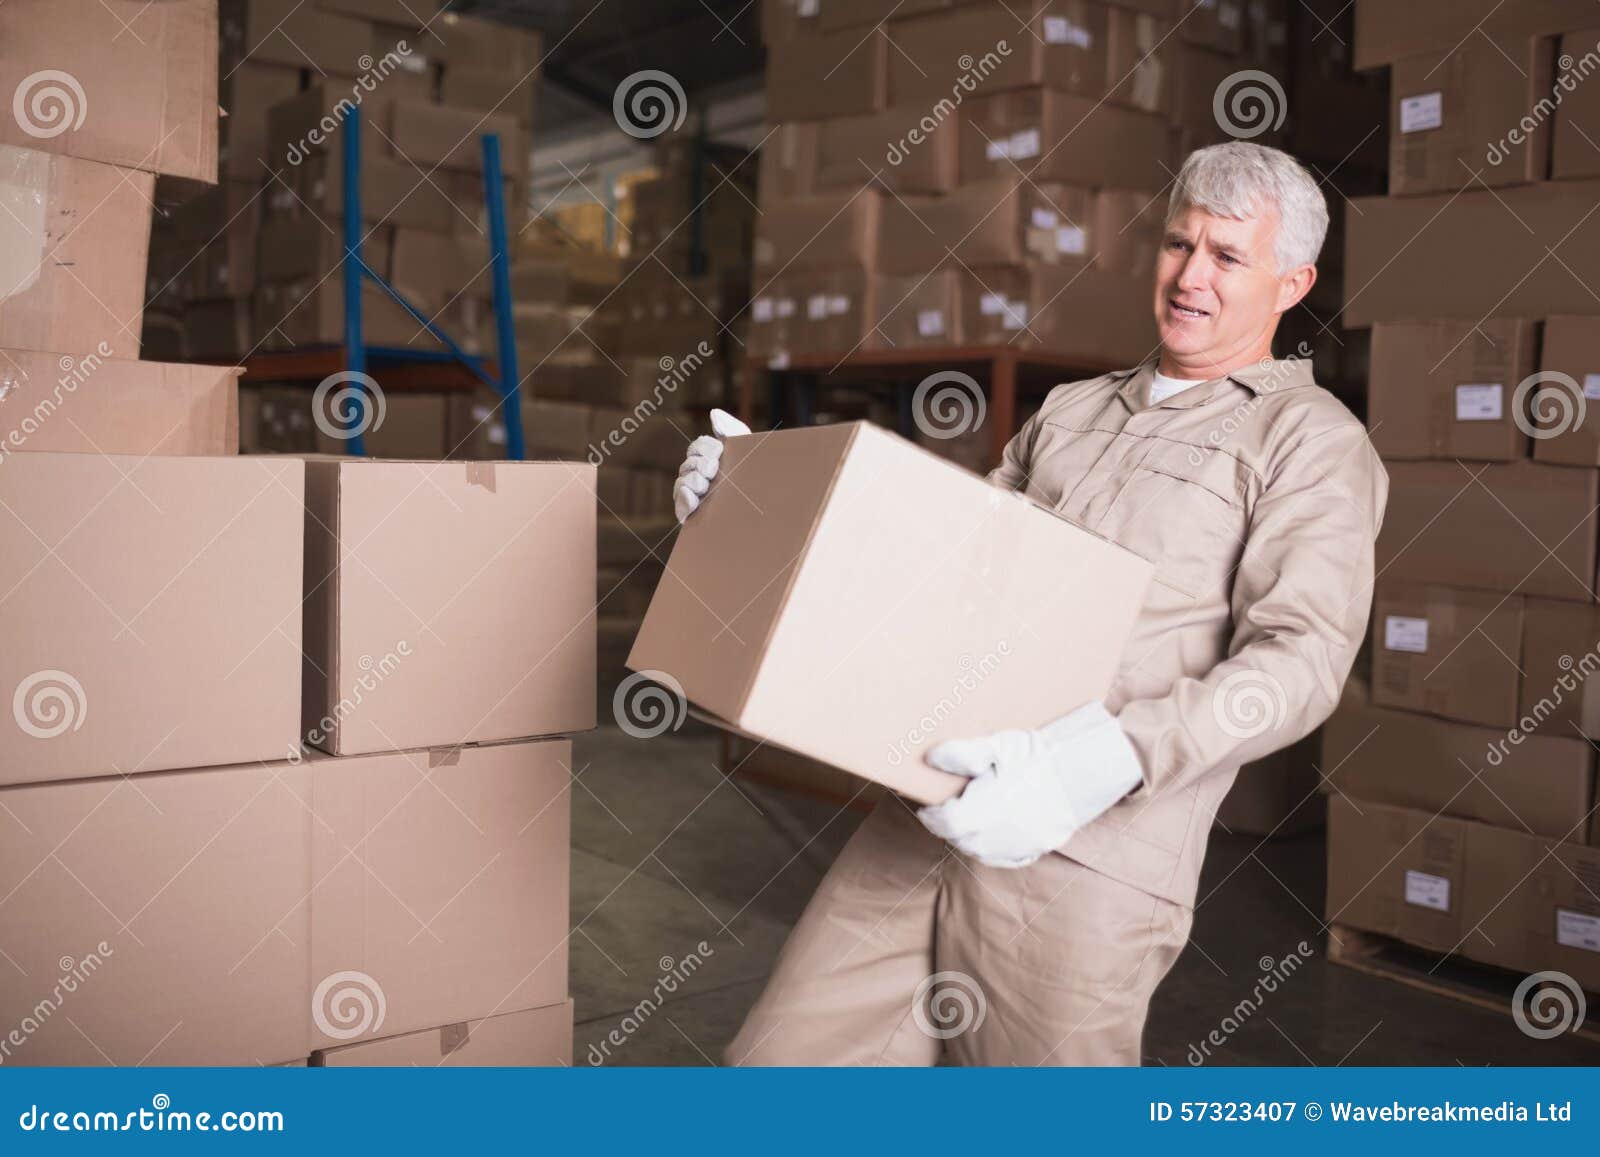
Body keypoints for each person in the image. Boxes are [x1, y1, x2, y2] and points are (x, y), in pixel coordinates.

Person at [673, 142, 1388, 1066]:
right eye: (1179, 245)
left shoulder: (1311, 442)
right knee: (776, 1071)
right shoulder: (1072, 410)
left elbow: (1300, 662)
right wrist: (757, 509)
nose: (1190, 277)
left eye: (1226, 257)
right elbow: (948, 562)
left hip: (1089, 856)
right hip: (930, 799)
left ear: (1293, 283)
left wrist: (1093, 764)